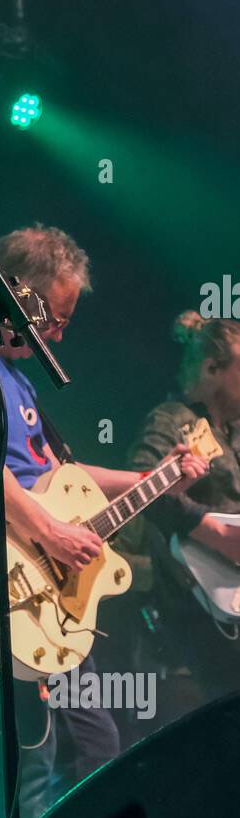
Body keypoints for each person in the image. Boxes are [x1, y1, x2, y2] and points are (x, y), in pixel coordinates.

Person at [0, 225, 207, 818]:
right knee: (29, 756)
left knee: (81, 749)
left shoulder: (14, 379)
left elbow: (61, 478)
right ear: (18, 297)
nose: (59, 336)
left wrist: (158, 479)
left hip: (41, 596)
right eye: (55, 318)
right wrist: (49, 532)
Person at [113, 311, 240, 731]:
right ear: (212, 367)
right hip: (197, 609)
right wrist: (213, 530)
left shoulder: (233, 434)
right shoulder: (173, 420)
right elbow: (142, 487)